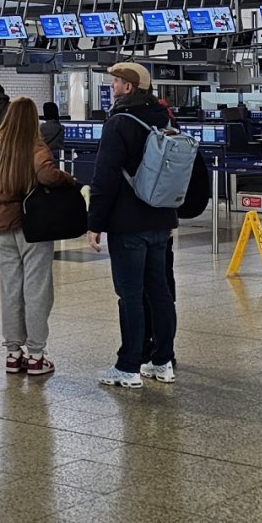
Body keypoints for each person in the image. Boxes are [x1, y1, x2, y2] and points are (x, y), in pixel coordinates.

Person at [87, 62, 180, 388]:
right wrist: (172, 215)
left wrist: (94, 221)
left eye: (115, 82)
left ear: (129, 87)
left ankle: (128, 367)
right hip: (161, 220)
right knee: (160, 293)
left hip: (128, 223)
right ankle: (162, 362)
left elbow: (105, 176)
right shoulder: (166, 118)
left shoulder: (119, 122)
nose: (111, 87)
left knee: (130, 295)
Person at [0, 97, 74, 377]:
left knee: (10, 290)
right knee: (36, 290)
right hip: (33, 227)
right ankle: (35, 356)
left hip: (1, 228)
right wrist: (69, 180)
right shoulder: (35, 146)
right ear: (33, 120)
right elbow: (48, 176)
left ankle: (12, 353)